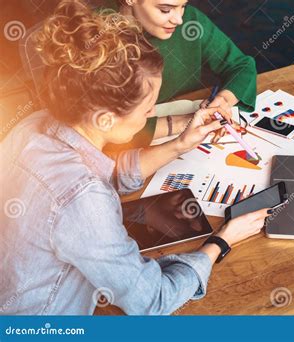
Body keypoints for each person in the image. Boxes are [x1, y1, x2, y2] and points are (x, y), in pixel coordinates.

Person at [0, 0, 270, 315]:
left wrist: (180, 144)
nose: (153, 112)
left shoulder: (30, 127)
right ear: (104, 120)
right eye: (146, 109)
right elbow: (152, 301)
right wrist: (221, 241)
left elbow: (102, 176)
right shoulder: (84, 199)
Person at [105, 0, 257, 146]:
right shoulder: (95, 39)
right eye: (165, 10)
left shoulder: (191, 21)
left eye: (183, 6)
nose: (179, 20)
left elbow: (242, 66)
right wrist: (182, 122)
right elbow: (105, 131)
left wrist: (223, 101)